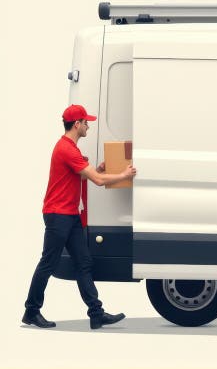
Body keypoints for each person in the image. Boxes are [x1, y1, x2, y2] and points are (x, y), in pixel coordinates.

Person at [23, 104, 137, 330]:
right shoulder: (67, 149)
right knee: (48, 263)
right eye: (86, 123)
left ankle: (96, 314)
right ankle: (31, 311)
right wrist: (123, 174)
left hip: (70, 215)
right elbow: (97, 180)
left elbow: (85, 176)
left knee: (83, 263)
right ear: (77, 124)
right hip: (58, 215)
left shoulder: (69, 149)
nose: (88, 126)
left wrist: (101, 169)